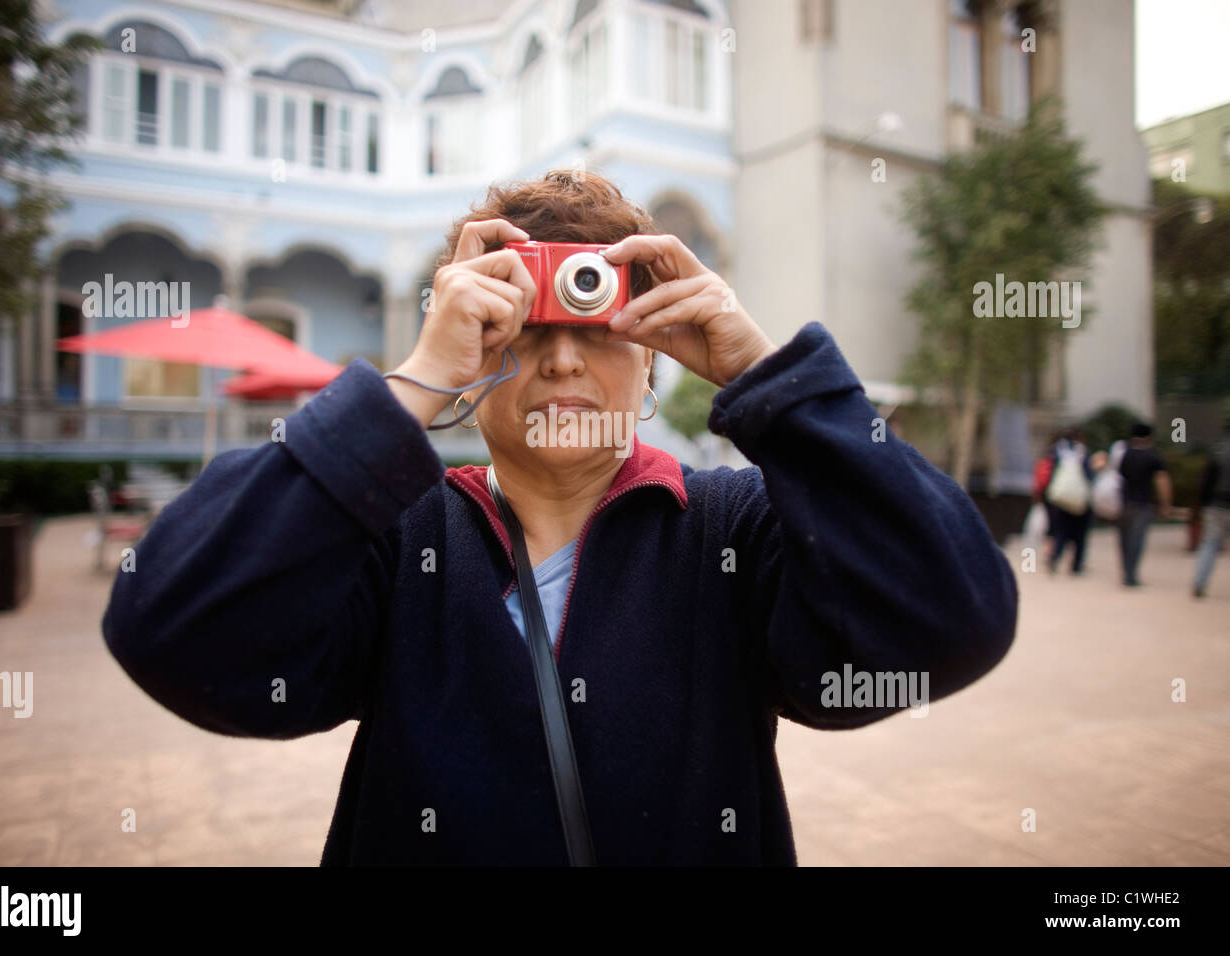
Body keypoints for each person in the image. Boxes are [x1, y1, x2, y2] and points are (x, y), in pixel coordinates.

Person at [100, 169, 1018, 866]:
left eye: (600, 321)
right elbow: (173, 631)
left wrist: (769, 377)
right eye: (525, 323)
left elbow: (956, 617)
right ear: (474, 351)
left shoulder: (736, 535)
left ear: (655, 354)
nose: (565, 361)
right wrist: (412, 384)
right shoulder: (399, 542)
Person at [1117, 421, 1172, 587]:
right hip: (1143, 504)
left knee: (1125, 540)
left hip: (1125, 503)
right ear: (1150, 437)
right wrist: (1165, 504)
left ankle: (1126, 572)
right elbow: (1162, 481)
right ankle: (1131, 576)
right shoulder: (1153, 456)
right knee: (1137, 540)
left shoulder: (1125, 454)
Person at [1047, 428, 1094, 575]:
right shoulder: (1083, 452)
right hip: (1079, 499)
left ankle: (1055, 557)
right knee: (1080, 534)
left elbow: (1049, 474)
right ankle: (1076, 565)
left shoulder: (1056, 451)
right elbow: (1089, 476)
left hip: (1060, 498)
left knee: (1060, 531)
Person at [1192, 420, 1230, 598]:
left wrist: (1203, 505)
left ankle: (1200, 582)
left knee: (1209, 545)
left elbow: (1205, 481)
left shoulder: (1217, 451)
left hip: (1215, 505)